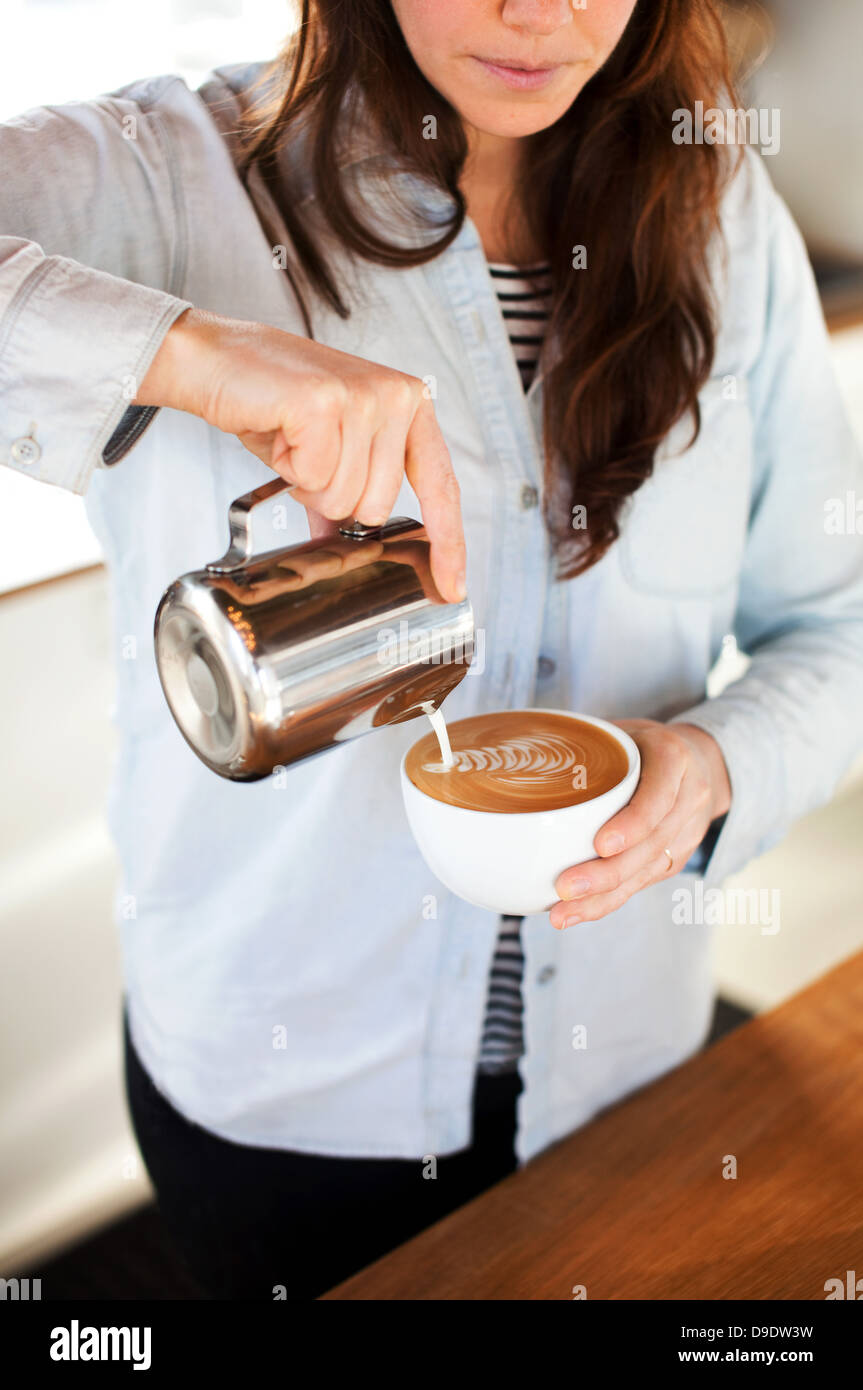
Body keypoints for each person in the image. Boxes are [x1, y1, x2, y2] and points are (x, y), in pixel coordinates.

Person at [2, 0, 862, 1299]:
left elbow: (840, 627)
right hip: (290, 1104)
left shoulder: (720, 211)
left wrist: (717, 764)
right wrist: (193, 357)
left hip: (621, 1072)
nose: (540, 14)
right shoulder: (168, 175)